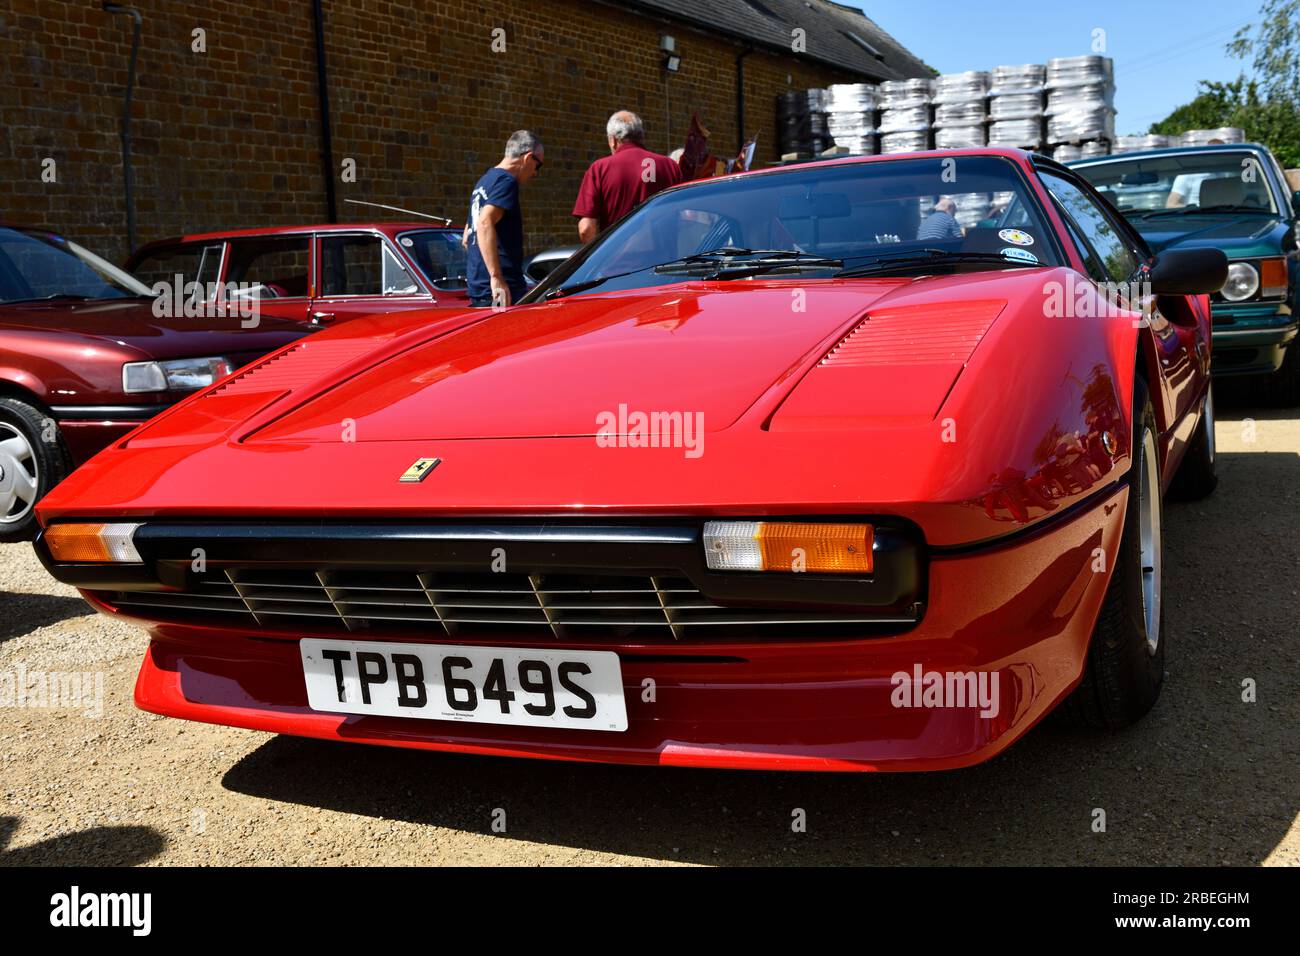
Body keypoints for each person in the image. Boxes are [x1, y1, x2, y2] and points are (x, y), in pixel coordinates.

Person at [573, 111, 682, 243]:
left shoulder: (600, 169)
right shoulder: (670, 166)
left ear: (613, 140)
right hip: (665, 259)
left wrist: (596, 260)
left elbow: (586, 228)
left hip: (618, 260)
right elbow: (685, 214)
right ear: (641, 136)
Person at [465, 130, 544, 308]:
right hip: (502, 289)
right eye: (538, 166)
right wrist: (496, 277)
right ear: (528, 157)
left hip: (479, 286)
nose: (535, 174)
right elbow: (485, 223)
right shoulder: (507, 182)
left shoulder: (485, 180)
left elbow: (467, 236)